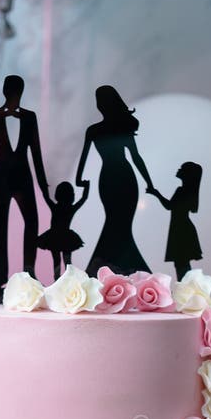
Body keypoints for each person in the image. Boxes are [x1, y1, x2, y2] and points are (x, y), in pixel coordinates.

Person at [0, 75, 49, 303]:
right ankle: (2, 276)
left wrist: (43, 186)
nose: (15, 95)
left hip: (23, 177)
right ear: (7, 92)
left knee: (32, 222)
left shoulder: (29, 118)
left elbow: (36, 154)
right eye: (12, 91)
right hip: (0, 178)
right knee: (1, 226)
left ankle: (29, 271)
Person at [76, 85, 154, 276]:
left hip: (122, 179)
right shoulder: (95, 130)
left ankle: (105, 268)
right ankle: (128, 270)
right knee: (114, 221)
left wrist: (148, 181)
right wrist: (79, 178)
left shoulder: (116, 128)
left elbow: (136, 156)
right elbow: (84, 157)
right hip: (112, 179)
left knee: (121, 223)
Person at [149, 162, 203, 281]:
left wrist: (156, 193)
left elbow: (169, 206)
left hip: (181, 230)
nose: (179, 170)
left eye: (182, 168)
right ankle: (186, 287)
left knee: (181, 263)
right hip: (182, 228)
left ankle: (185, 287)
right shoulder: (187, 191)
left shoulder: (182, 191)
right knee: (182, 263)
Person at [38, 181, 90, 279]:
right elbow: (84, 198)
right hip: (65, 237)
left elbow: (46, 197)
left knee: (57, 260)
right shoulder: (70, 208)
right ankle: (66, 278)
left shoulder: (55, 207)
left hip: (54, 236)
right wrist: (87, 186)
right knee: (67, 261)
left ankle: (58, 278)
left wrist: (43, 186)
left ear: (58, 194)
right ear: (71, 195)